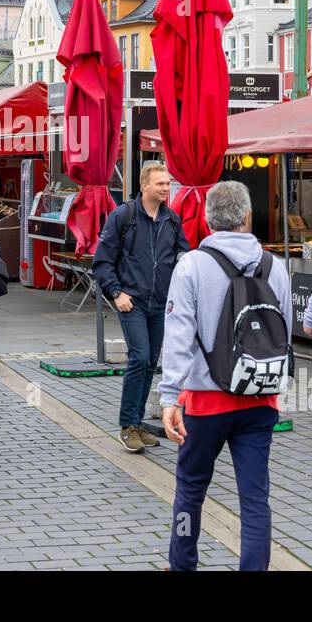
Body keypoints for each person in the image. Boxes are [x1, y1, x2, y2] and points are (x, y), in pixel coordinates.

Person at [160, 181, 290, 571]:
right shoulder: (276, 267)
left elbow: (178, 335)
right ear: (248, 217)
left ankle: (183, 564)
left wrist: (169, 397)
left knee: (190, 491)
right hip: (259, 400)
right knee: (255, 498)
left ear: (205, 219)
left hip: (204, 403)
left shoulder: (192, 266)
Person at [92, 161, 191, 453]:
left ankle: (136, 423)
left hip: (161, 303)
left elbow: (182, 251)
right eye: (160, 183)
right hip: (131, 301)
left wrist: (184, 263)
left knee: (150, 362)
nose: (166, 188)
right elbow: (103, 259)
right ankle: (126, 425)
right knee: (140, 357)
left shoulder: (171, 219)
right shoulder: (124, 215)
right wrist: (116, 292)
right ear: (144, 186)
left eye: (168, 184)